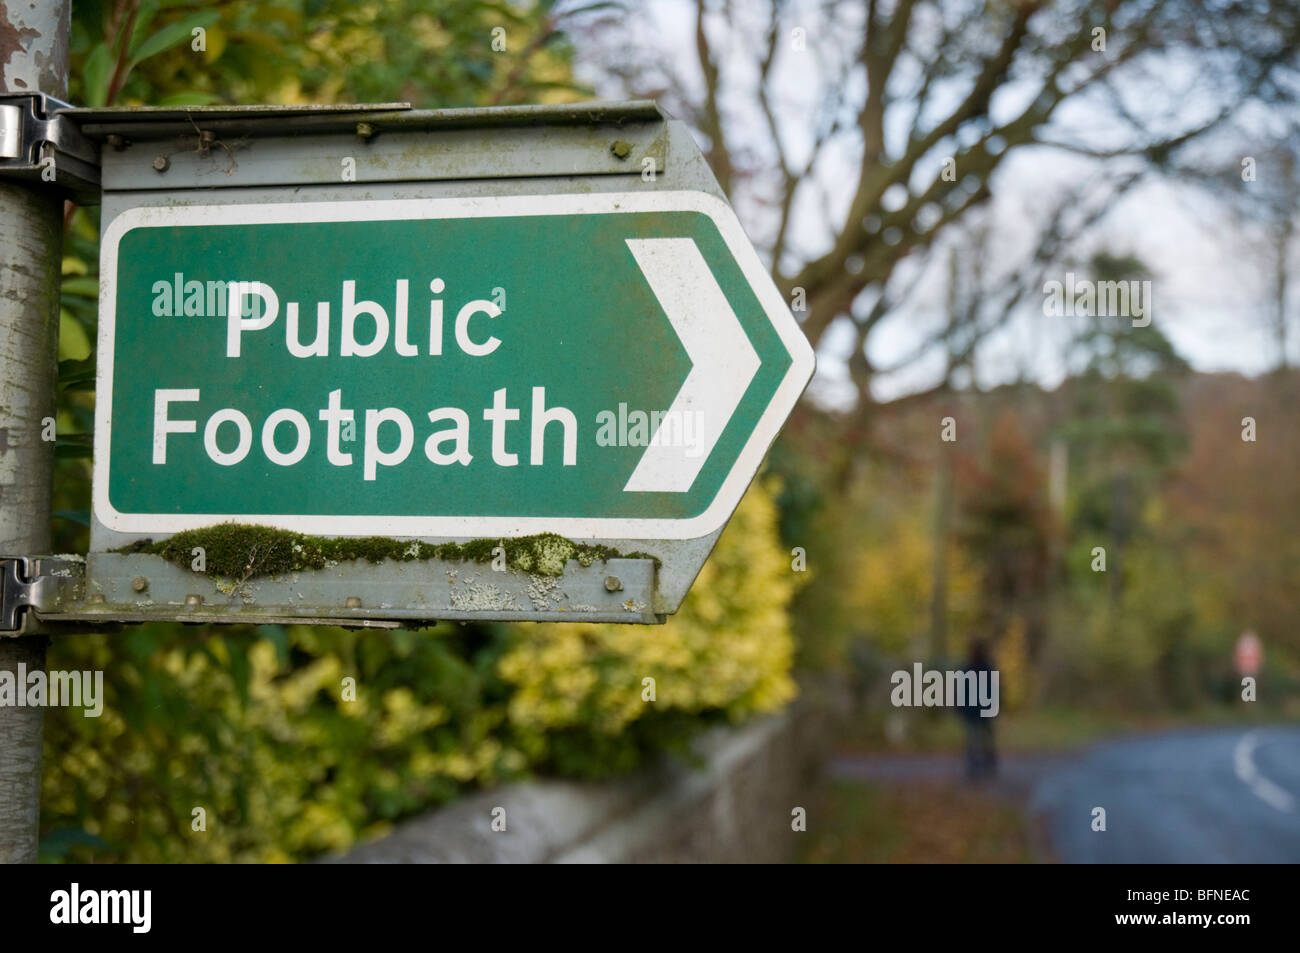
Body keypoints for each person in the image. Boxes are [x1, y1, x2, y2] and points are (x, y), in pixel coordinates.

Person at [959, 639, 997, 780]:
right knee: (975, 739)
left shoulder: (985, 670)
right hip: (974, 711)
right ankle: (976, 766)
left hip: (982, 710)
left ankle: (985, 764)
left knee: (981, 739)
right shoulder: (971, 669)